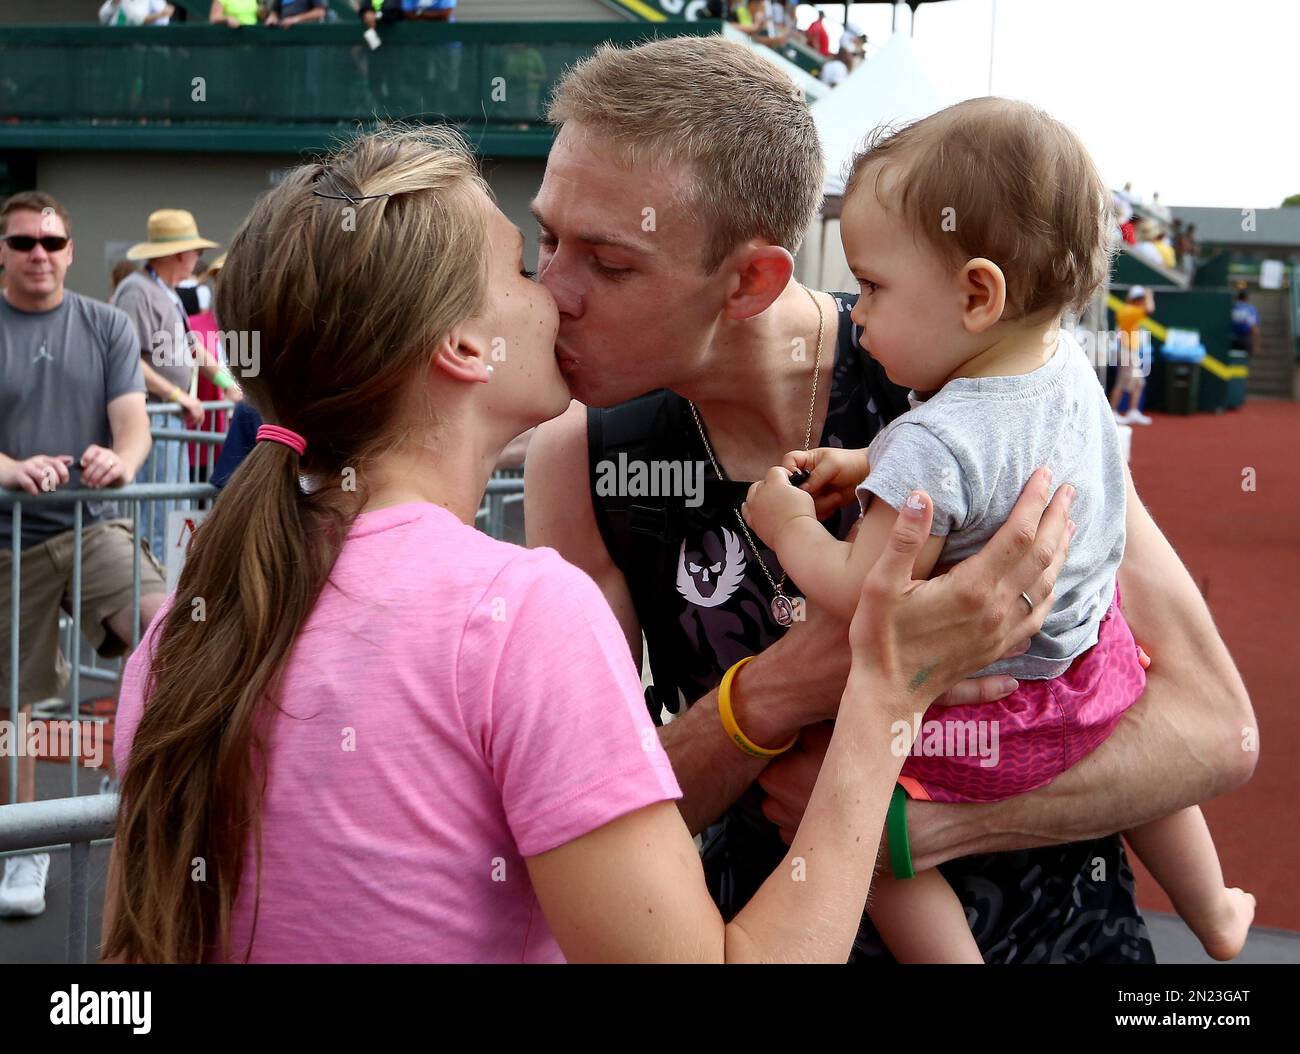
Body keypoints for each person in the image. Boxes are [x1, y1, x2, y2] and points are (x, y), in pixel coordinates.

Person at [98, 127, 1045, 964]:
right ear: (464, 350)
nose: (554, 289)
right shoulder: (517, 616)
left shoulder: (186, 628)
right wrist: (888, 687)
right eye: (522, 265)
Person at [524, 36, 1254, 963]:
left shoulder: (962, 364)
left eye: (609, 263)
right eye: (547, 240)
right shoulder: (579, 462)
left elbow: (1218, 732)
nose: (551, 293)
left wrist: (928, 830)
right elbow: (606, 815)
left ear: (751, 280)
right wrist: (784, 689)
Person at [741, 99, 1253, 962]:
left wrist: (790, 524)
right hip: (1097, 671)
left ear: (978, 293)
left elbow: (866, 599)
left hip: (993, 716)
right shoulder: (1061, 365)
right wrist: (871, 464)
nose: (857, 312)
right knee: (1149, 782)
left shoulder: (935, 437)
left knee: (864, 835)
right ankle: (1214, 910)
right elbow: (997, 458)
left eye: (873, 286)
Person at [0, 191, 164, 918]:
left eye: (52, 241)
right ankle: (24, 850)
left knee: (173, 637)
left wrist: (120, 462)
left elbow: (134, 429)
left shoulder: (105, 325)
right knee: (13, 707)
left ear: (70, 249)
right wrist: (9, 469)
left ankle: (134, 784)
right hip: (8, 539)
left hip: (92, 527)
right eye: (23, 242)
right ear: (3, 252)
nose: (39, 253)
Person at [110, 209, 240, 561]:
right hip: (152, 417)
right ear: (179, 254)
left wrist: (226, 383)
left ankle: (161, 590)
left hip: (170, 418)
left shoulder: (162, 292)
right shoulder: (137, 292)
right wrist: (176, 394)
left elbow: (191, 347)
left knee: (170, 508)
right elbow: (128, 358)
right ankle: (148, 594)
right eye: (195, 251)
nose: (198, 258)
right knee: (155, 510)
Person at [1111, 285, 1154, 425]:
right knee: (1122, 382)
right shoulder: (1131, 311)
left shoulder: (1129, 310)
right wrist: (1149, 295)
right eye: (1141, 299)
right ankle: (1112, 412)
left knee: (1138, 383)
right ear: (1136, 300)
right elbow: (1150, 309)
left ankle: (1133, 412)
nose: (1143, 301)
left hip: (1131, 351)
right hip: (1126, 351)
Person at [1231, 287, 1260, 358]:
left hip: (1231, 339)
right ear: (1246, 298)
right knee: (1244, 362)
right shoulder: (1249, 309)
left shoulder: (1231, 307)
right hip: (1245, 340)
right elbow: (1254, 328)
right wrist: (1256, 345)